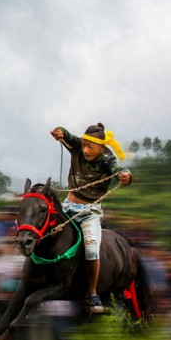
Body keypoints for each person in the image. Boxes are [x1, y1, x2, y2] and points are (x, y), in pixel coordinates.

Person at [50, 123, 132, 314]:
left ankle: (92, 292)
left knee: (92, 248)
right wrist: (60, 131)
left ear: (101, 147)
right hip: (68, 208)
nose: (85, 149)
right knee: (46, 233)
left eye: (90, 146)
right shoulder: (78, 146)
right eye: (84, 144)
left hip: (89, 212)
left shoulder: (107, 159)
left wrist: (125, 176)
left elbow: (118, 169)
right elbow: (67, 135)